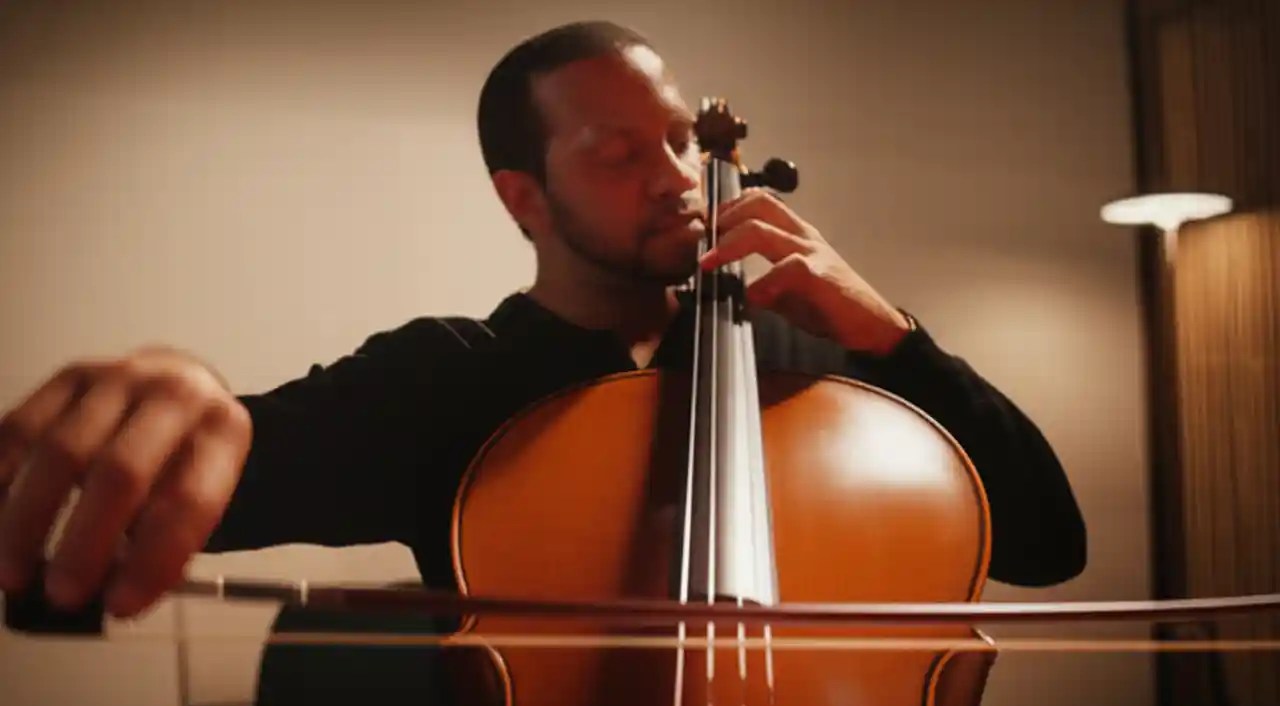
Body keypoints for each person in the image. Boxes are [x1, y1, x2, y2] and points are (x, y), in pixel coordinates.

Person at [0, 21, 1085, 626]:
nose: (674, 179)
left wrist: (892, 337)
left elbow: (1045, 545)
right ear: (524, 199)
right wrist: (184, 406)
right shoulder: (445, 384)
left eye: (675, 142)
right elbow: (155, 498)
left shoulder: (813, 372)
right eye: (618, 155)